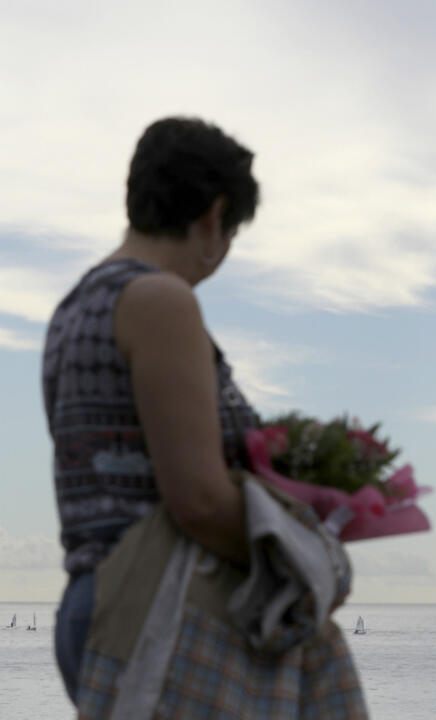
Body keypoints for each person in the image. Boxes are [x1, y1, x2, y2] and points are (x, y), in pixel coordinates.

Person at [46, 117, 365, 716]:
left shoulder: (76, 307)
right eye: (233, 230)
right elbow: (197, 498)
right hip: (157, 607)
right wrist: (309, 556)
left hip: (97, 600)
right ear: (215, 217)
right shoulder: (161, 300)